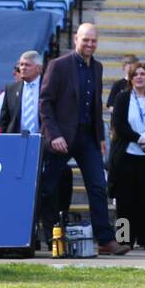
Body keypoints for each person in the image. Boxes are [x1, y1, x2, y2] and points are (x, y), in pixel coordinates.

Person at [38, 23, 131, 255]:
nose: (90, 44)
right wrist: (54, 135)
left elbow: (96, 106)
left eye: (93, 41)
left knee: (98, 187)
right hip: (61, 137)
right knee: (48, 188)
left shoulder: (97, 67)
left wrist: (100, 137)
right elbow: (45, 103)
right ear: (76, 40)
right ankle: (48, 235)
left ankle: (105, 240)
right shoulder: (57, 66)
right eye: (85, 40)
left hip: (88, 137)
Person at [110, 61, 145, 249]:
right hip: (126, 156)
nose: (139, 77)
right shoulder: (123, 98)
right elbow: (119, 125)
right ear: (131, 78)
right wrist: (138, 138)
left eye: (143, 74)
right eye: (135, 75)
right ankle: (123, 239)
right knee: (124, 201)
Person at [0, 50, 44, 135]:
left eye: (27, 65)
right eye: (21, 64)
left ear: (39, 68)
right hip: (16, 141)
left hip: (43, 141)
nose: (23, 68)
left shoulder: (48, 87)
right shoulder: (11, 89)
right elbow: (4, 119)